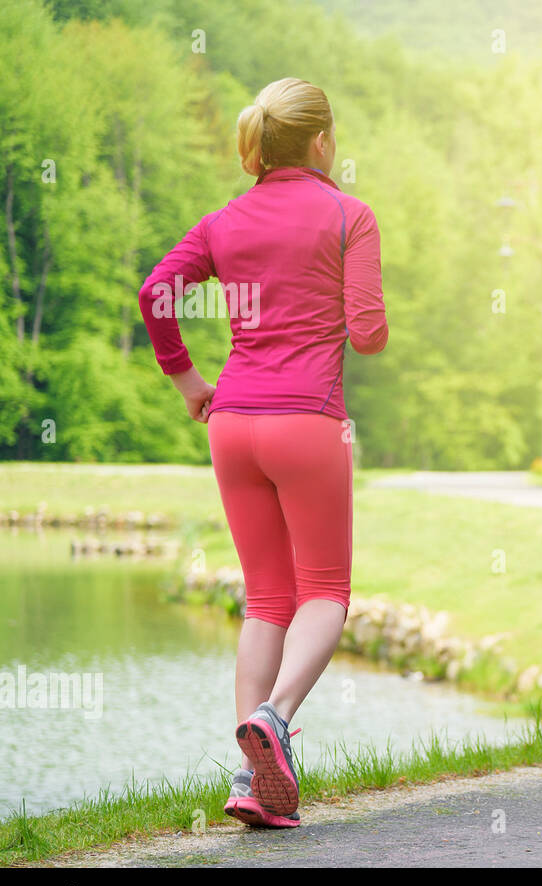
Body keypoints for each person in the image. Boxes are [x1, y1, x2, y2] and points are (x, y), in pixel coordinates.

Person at [138, 77, 387, 828]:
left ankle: (253, 779)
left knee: (266, 600)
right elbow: (369, 333)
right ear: (321, 143)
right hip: (307, 420)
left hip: (233, 421)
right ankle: (276, 719)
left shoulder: (224, 221)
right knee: (325, 594)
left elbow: (156, 293)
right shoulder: (351, 215)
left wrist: (186, 378)